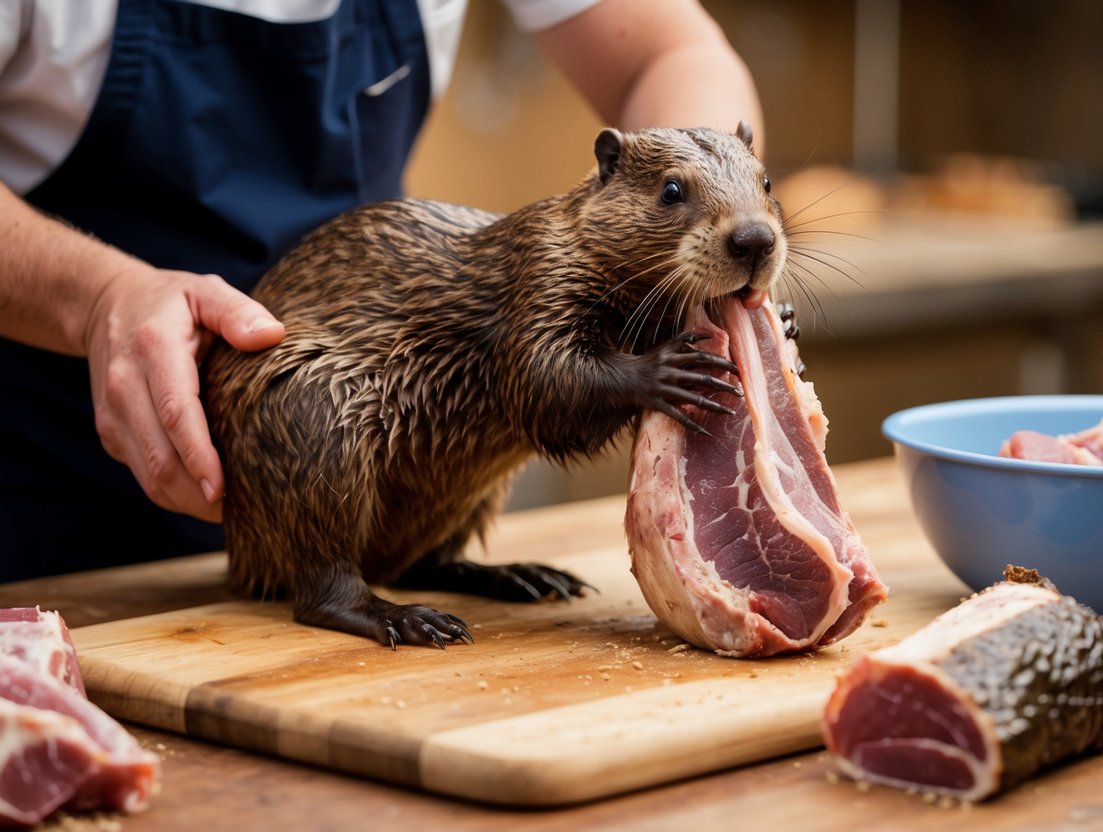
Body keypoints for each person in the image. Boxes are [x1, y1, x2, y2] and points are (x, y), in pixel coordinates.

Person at [0, 0, 764, 580]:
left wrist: (694, 249)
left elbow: (665, 50)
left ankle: (418, 558)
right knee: (316, 406)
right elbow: (552, 398)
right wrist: (98, 297)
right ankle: (327, 582)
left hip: (396, 459)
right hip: (60, 459)